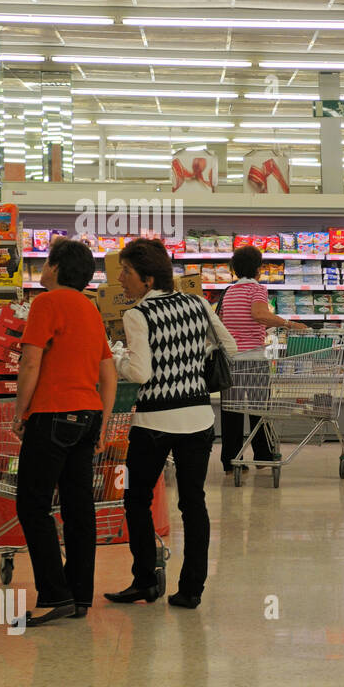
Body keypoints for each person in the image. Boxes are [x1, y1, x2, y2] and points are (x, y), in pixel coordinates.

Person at [107, 239, 237, 611]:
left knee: (136, 498)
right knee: (193, 502)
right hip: (198, 419)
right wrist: (192, 361)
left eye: (126, 271)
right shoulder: (197, 303)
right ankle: (191, 589)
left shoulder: (137, 315)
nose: (120, 279)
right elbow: (230, 346)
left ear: (147, 278)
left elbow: (140, 372)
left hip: (152, 424)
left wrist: (115, 358)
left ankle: (146, 579)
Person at [11, 239, 118, 628]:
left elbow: (30, 361)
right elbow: (109, 371)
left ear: (55, 268)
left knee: (33, 505)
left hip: (53, 414)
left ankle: (54, 594)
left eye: (45, 262)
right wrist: (103, 422)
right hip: (87, 415)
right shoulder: (90, 309)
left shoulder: (47, 302)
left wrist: (20, 410)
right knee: (78, 507)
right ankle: (78, 594)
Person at [218, 244, 308, 475]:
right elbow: (258, 314)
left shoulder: (228, 291)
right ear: (258, 269)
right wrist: (289, 324)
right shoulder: (257, 289)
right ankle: (263, 456)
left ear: (234, 269)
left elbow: (227, 322)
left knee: (232, 412)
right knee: (260, 409)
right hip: (253, 359)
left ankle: (230, 461)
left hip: (231, 360)